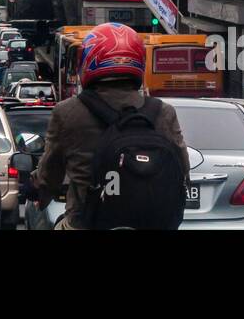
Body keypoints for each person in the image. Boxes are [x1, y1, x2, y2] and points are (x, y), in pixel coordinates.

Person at [29, 22, 188, 230]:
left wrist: (35, 190)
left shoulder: (68, 112)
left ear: (88, 61)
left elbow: (50, 175)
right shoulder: (163, 111)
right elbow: (183, 169)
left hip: (87, 222)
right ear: (140, 61)